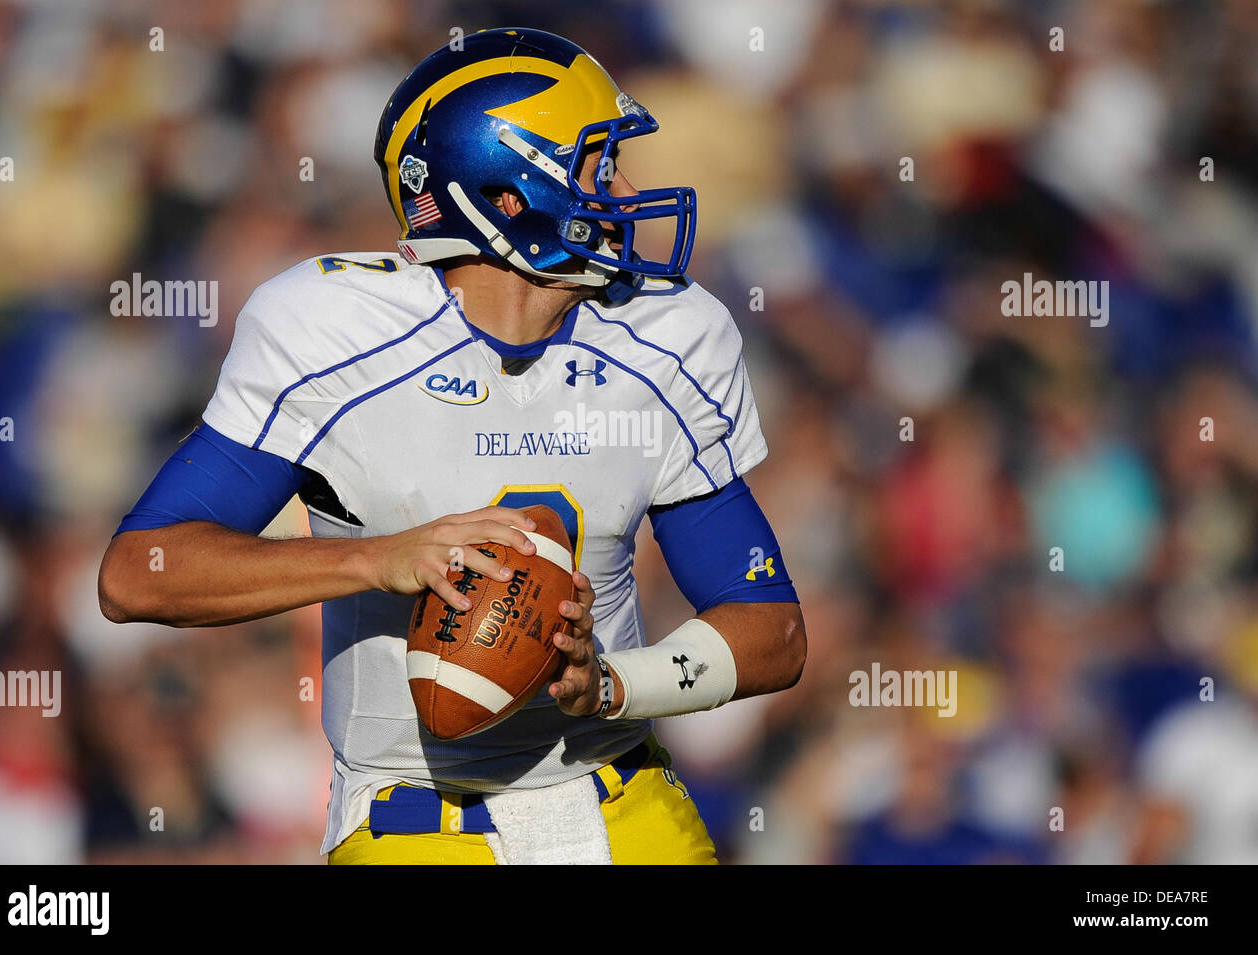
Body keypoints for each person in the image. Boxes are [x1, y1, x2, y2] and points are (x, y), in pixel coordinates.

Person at [98, 27, 805, 865]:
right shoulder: (332, 331)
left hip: (624, 797)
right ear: (508, 195)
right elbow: (136, 573)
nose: (624, 187)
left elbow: (775, 628)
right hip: (417, 821)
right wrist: (378, 560)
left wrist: (614, 683)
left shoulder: (670, 334)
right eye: (596, 162)